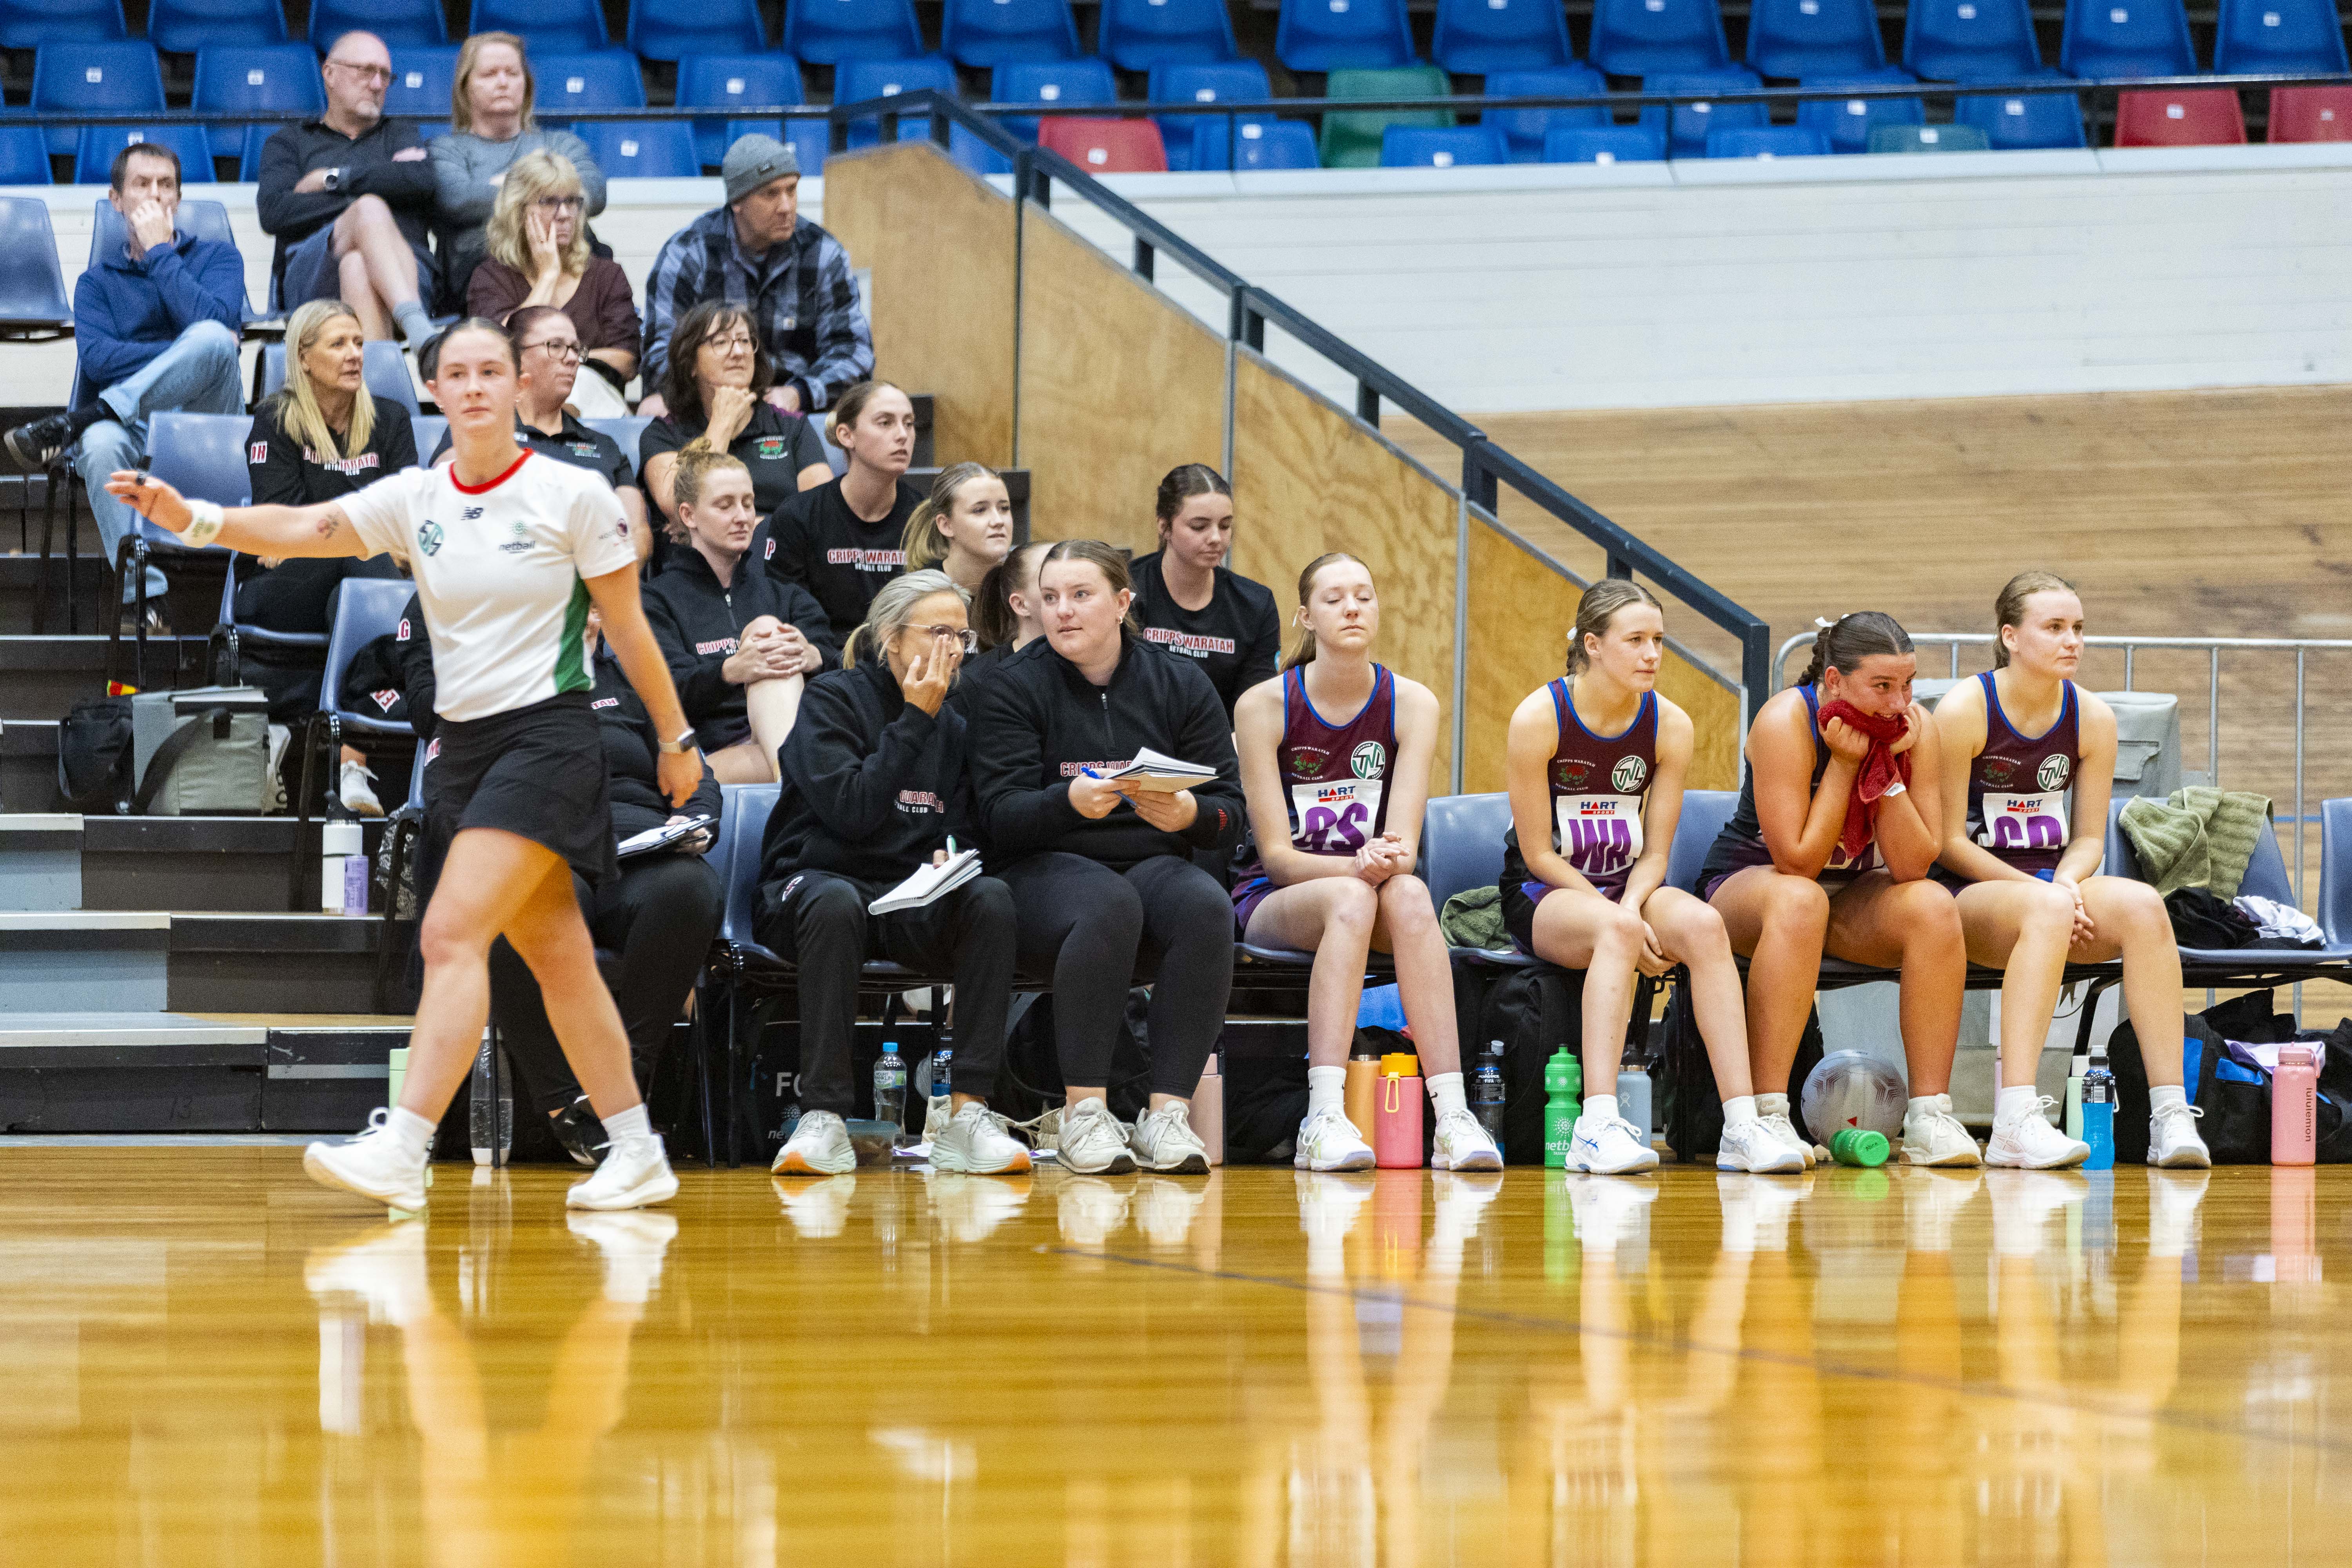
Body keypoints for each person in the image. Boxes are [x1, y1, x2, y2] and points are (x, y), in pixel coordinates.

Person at [106, 317, 699, 1214]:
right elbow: (306, 526)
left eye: (489, 371)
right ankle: (637, 1149)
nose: (472, 386)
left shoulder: (574, 494)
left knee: (452, 934)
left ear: (512, 383)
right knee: (563, 959)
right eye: (455, 372)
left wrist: (675, 737)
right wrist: (196, 516)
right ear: (433, 389)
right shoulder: (416, 496)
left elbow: (630, 630)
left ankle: (406, 1147)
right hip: (463, 751)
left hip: (547, 741)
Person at [1498, 581, 1804, 1177]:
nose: (1651, 654)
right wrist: (1618, 916)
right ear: (1593, 645)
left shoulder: (1671, 724)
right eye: (1635, 640)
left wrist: (1634, 907)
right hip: (1549, 891)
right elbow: (1537, 852)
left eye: (1658, 640)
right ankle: (1597, 1125)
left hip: (1630, 885)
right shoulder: (1539, 717)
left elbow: (1656, 852)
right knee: (1614, 930)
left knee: (1705, 926)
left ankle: (1743, 1125)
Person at [969, 540, 1243, 1177]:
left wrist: (1190, 817)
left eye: (1081, 595)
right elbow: (998, 818)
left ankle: (1165, 1117)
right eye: (1052, 597)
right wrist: (1066, 802)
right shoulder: (1010, 687)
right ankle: (1085, 1115)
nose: (1063, 611)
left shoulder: (1180, 683)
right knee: (1106, 900)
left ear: (1122, 603)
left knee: (1205, 904)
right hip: (1038, 871)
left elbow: (1231, 814)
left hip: (1150, 862)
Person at [1230, 552, 1502, 1174]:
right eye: (1334, 599)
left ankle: (1453, 1116)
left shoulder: (1413, 702)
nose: (1352, 607)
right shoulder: (1262, 706)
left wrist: (1383, 860)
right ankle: (1322, 1117)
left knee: (1408, 895)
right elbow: (1275, 858)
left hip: (1372, 887)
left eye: (1364, 596)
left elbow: (1402, 844)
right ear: (1305, 616)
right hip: (1281, 898)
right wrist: (1359, 869)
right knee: (1354, 898)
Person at [1935, 572, 2211, 1169]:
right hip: (1972, 894)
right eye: (2054, 627)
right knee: (2049, 907)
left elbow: (2088, 837)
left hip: (2053, 893)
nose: (2072, 641)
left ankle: (2169, 1116)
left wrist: (2063, 884)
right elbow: (1947, 840)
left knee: (2143, 905)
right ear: (2010, 636)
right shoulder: (1964, 709)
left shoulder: (2093, 717)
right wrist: (2044, 895)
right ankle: (2015, 1119)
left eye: (2079, 628)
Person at [761, 570, 1030, 1177]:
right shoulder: (832, 698)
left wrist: (951, 851)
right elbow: (852, 812)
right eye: (938, 632)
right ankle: (823, 1117)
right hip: (816, 887)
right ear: (890, 636)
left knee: (990, 898)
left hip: (908, 900)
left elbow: (964, 823)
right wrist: (914, 718)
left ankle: (968, 1114)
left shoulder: (958, 721)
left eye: (962, 637)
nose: (953, 650)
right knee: (834, 903)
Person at [1695, 612, 1978, 1169]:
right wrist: (1847, 764)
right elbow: (1797, 860)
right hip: (1751, 889)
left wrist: (1887, 769)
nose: (1900, 703)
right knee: (1800, 899)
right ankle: (1767, 1117)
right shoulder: (1785, 720)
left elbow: (1914, 865)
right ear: (1833, 683)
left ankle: (1928, 1116)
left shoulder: (1916, 728)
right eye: (1882, 687)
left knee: (1933, 907)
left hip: (1845, 895)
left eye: (1908, 684)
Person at [482, 605, 726, 1167]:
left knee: (691, 891)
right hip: (551, 846)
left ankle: (624, 1089)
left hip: (642, 845)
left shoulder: (635, 686)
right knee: (511, 909)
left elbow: (696, 772)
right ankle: (564, 1104)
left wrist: (696, 823)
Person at [6, 143, 243, 628]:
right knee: (97, 443)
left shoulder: (220, 258)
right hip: (134, 424)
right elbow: (100, 360)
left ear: (179, 197)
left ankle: (87, 416)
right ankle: (145, 595)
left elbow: (217, 332)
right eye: (142, 184)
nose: (155, 195)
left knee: (212, 338)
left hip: (209, 421)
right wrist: (184, 353)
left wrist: (160, 252)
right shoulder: (95, 284)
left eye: (166, 185)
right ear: (116, 199)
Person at [240, 298, 414, 816]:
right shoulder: (274, 422)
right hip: (277, 592)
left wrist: (336, 529)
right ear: (304, 356)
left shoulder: (392, 419)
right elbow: (286, 526)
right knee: (360, 558)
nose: (355, 354)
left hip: (355, 578)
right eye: (339, 343)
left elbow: (406, 518)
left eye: (359, 343)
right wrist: (363, 527)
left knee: (356, 578)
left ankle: (353, 760)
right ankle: (355, 758)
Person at [637, 134, 872, 420]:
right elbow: (660, 354)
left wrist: (800, 393)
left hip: (797, 405)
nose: (786, 207)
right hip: (708, 404)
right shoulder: (689, 253)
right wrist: (717, 396)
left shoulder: (823, 252)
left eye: (792, 190)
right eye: (771, 194)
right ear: (737, 201)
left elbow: (854, 351)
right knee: (653, 408)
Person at [644, 443, 833, 782]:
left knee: (768, 630)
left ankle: (788, 786)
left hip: (799, 742)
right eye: (725, 505)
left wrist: (813, 656)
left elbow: (841, 663)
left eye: (748, 503)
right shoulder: (657, 600)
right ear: (688, 516)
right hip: (707, 756)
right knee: (766, 632)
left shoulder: (783, 594)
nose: (743, 517)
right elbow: (662, 691)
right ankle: (794, 791)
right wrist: (730, 671)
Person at [254, 30, 439, 345]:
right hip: (312, 277)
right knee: (368, 209)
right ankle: (419, 331)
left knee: (356, 266)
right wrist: (375, 197)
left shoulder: (401, 133)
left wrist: (333, 180)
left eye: (385, 75)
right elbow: (275, 213)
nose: (378, 85)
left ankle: (375, 392)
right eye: (366, 71)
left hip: (407, 272)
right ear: (330, 74)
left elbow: (420, 182)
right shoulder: (289, 142)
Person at [431, 306, 649, 546]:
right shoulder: (478, 428)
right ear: (517, 359)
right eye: (556, 346)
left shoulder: (603, 446)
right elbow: (451, 502)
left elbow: (637, 533)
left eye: (576, 349)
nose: (572, 358)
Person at [429, 33, 606, 314]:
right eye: (489, 74)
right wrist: (548, 189)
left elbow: (594, 195)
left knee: (587, 240)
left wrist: (504, 189)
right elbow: (457, 200)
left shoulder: (561, 144)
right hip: (480, 282)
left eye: (512, 73)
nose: (503, 82)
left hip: (567, 276)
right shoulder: (447, 149)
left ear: (526, 84)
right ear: (465, 88)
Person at [466, 151, 639, 417]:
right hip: (517, 411)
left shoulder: (607, 275)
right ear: (517, 210)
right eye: (549, 202)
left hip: (598, 414)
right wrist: (547, 277)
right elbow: (498, 353)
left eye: (572, 202)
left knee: (575, 385)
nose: (565, 214)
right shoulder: (490, 278)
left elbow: (626, 361)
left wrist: (563, 363)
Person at [638, 301, 828, 527]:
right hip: (697, 561)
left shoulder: (791, 427)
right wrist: (721, 424)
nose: (738, 352)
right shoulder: (663, 434)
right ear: (691, 364)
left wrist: (741, 529)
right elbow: (678, 504)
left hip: (779, 555)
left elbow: (823, 515)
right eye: (721, 342)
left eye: (745, 341)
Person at [765, 381, 923, 635]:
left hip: (903, 658)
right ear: (846, 435)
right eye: (885, 422)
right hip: (821, 662)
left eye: (909, 423)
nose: (903, 435)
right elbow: (790, 616)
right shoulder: (798, 516)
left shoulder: (924, 517)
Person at [1129, 463, 1281, 721]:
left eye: (1225, 526)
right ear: (1164, 527)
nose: (1216, 538)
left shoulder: (1255, 604)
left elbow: (1255, 708)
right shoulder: (1126, 589)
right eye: (1199, 527)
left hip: (1221, 748)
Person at [900, 462, 1013, 597]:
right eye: (979, 510)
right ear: (946, 525)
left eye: (1005, 508)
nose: (998, 521)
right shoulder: (917, 597)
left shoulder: (1022, 587)